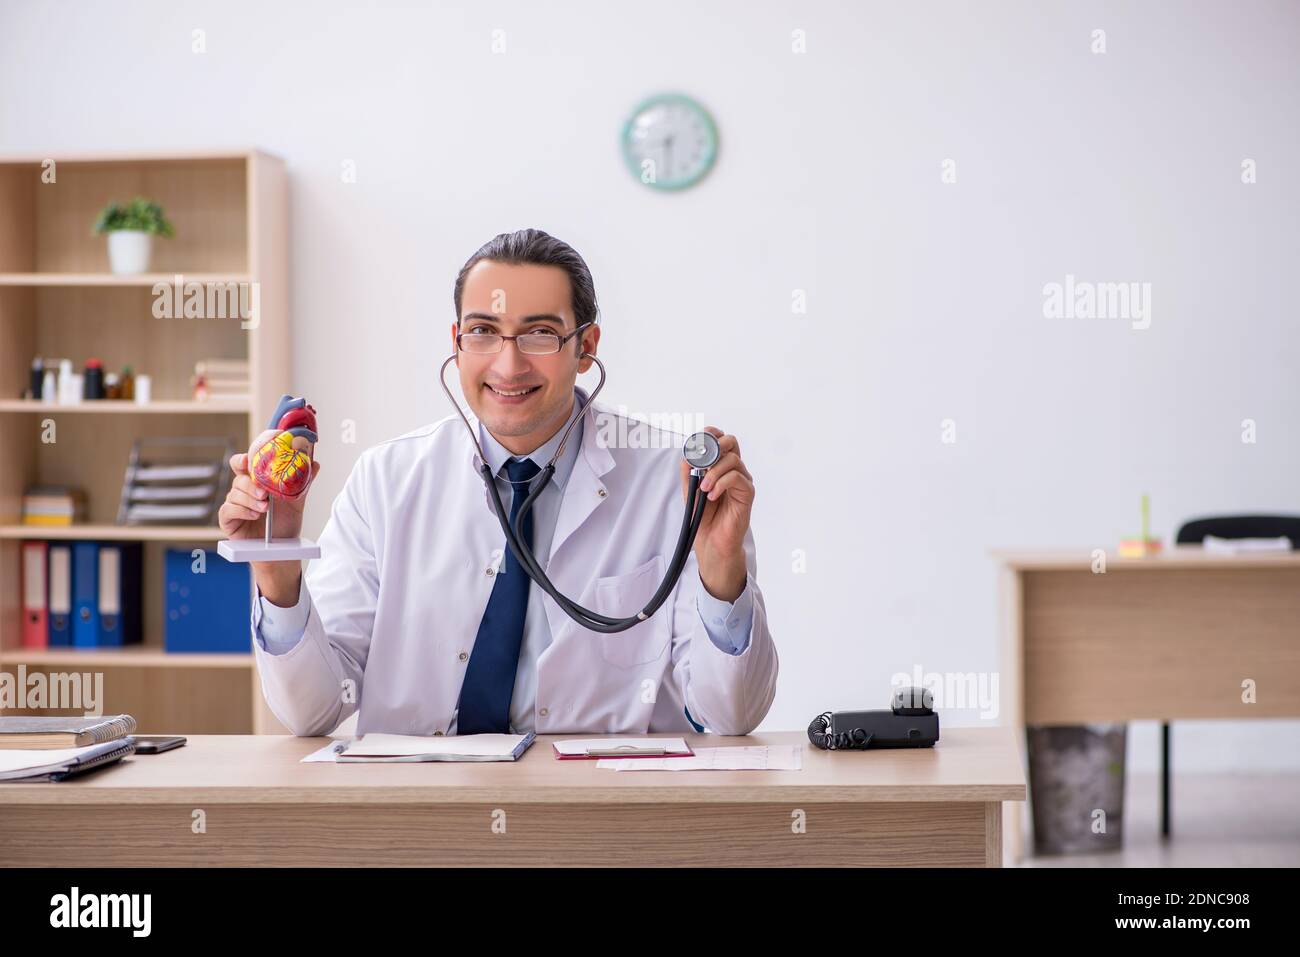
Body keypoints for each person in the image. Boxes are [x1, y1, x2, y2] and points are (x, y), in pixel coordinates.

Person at [218, 228, 778, 737]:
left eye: (539, 334)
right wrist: (277, 567)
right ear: (457, 341)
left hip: (597, 817)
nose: (508, 366)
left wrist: (721, 568)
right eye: (484, 332)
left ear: (586, 348)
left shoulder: (672, 483)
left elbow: (730, 719)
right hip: (421, 815)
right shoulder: (387, 480)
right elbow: (312, 712)